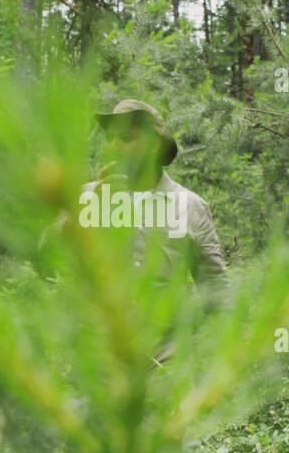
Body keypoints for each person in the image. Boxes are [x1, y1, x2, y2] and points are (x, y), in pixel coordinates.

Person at [91, 99, 229, 364]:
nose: (113, 147)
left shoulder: (190, 206)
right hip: (99, 367)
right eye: (109, 139)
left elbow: (216, 289)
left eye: (125, 138)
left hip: (166, 365)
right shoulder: (89, 196)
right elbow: (45, 255)